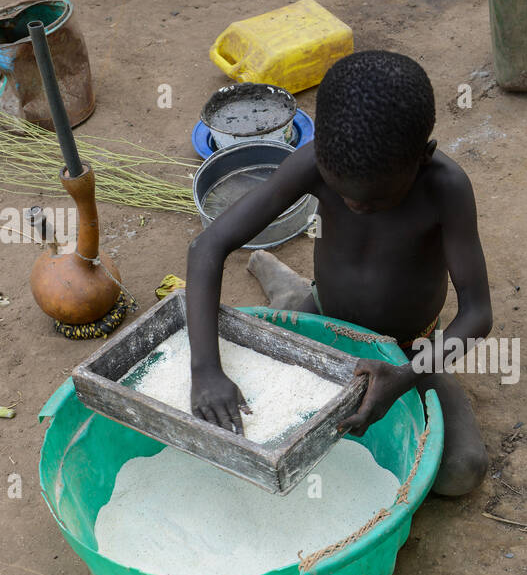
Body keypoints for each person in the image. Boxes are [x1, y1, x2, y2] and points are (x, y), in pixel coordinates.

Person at [185, 50, 492, 496]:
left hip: (408, 351)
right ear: (321, 148)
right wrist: (205, 370)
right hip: (325, 319)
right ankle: (296, 300)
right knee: (268, 432)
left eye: (373, 203)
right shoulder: (312, 161)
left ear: (422, 158)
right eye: (342, 196)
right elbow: (207, 247)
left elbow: (477, 314)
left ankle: (289, 295)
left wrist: (405, 375)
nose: (354, 207)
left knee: (462, 470)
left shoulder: (446, 189)